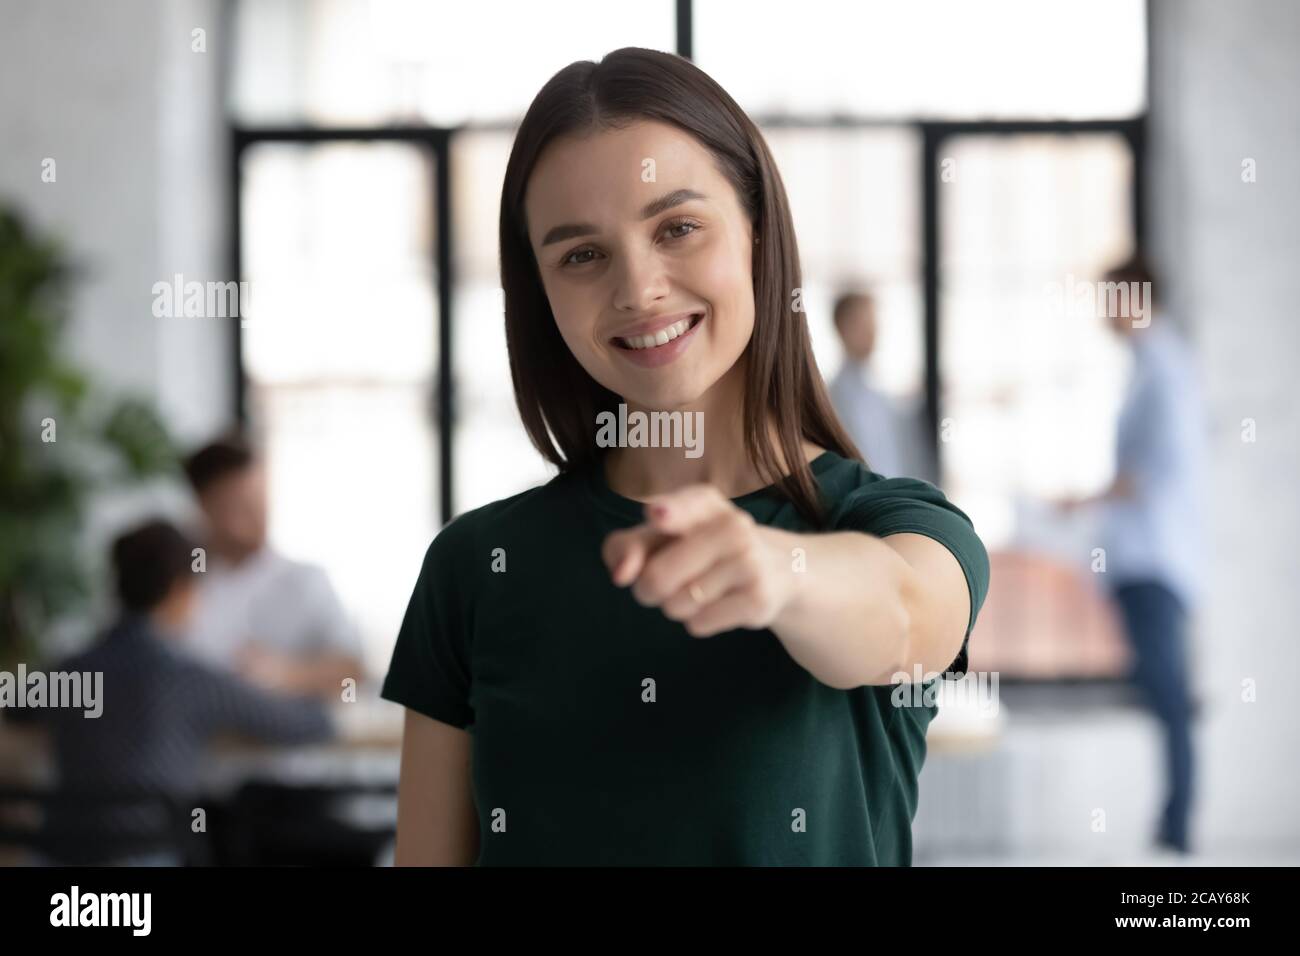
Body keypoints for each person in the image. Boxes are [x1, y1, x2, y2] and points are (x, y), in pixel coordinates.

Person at [381, 47, 990, 866]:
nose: (638, 290)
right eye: (581, 255)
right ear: (541, 293)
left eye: (677, 228)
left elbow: (904, 619)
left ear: (758, 234)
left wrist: (777, 573)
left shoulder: (890, 526)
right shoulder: (474, 568)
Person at [11, 518, 335, 865]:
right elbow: (312, 726)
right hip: (148, 858)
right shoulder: (193, 678)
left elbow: (15, 708)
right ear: (180, 590)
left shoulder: (71, 668)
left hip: (63, 862)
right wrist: (280, 675)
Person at [1058, 255, 1207, 855]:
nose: (1104, 312)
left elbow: (1151, 472)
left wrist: (1083, 500)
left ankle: (1177, 828)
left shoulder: (1165, 369)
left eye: (1110, 298)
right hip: (1148, 555)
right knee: (1162, 688)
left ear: (1135, 298)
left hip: (1155, 557)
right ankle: (1172, 826)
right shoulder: (1152, 367)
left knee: (1168, 692)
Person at [181, 435, 365, 698]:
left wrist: (285, 674)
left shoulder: (304, 580)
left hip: (290, 737)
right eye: (240, 507)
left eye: (260, 500)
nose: (258, 518)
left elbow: (353, 672)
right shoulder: (181, 585)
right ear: (204, 506)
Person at [826, 290, 907, 479]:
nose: (872, 332)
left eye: (873, 323)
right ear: (841, 327)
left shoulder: (880, 396)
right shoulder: (833, 397)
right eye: (863, 324)